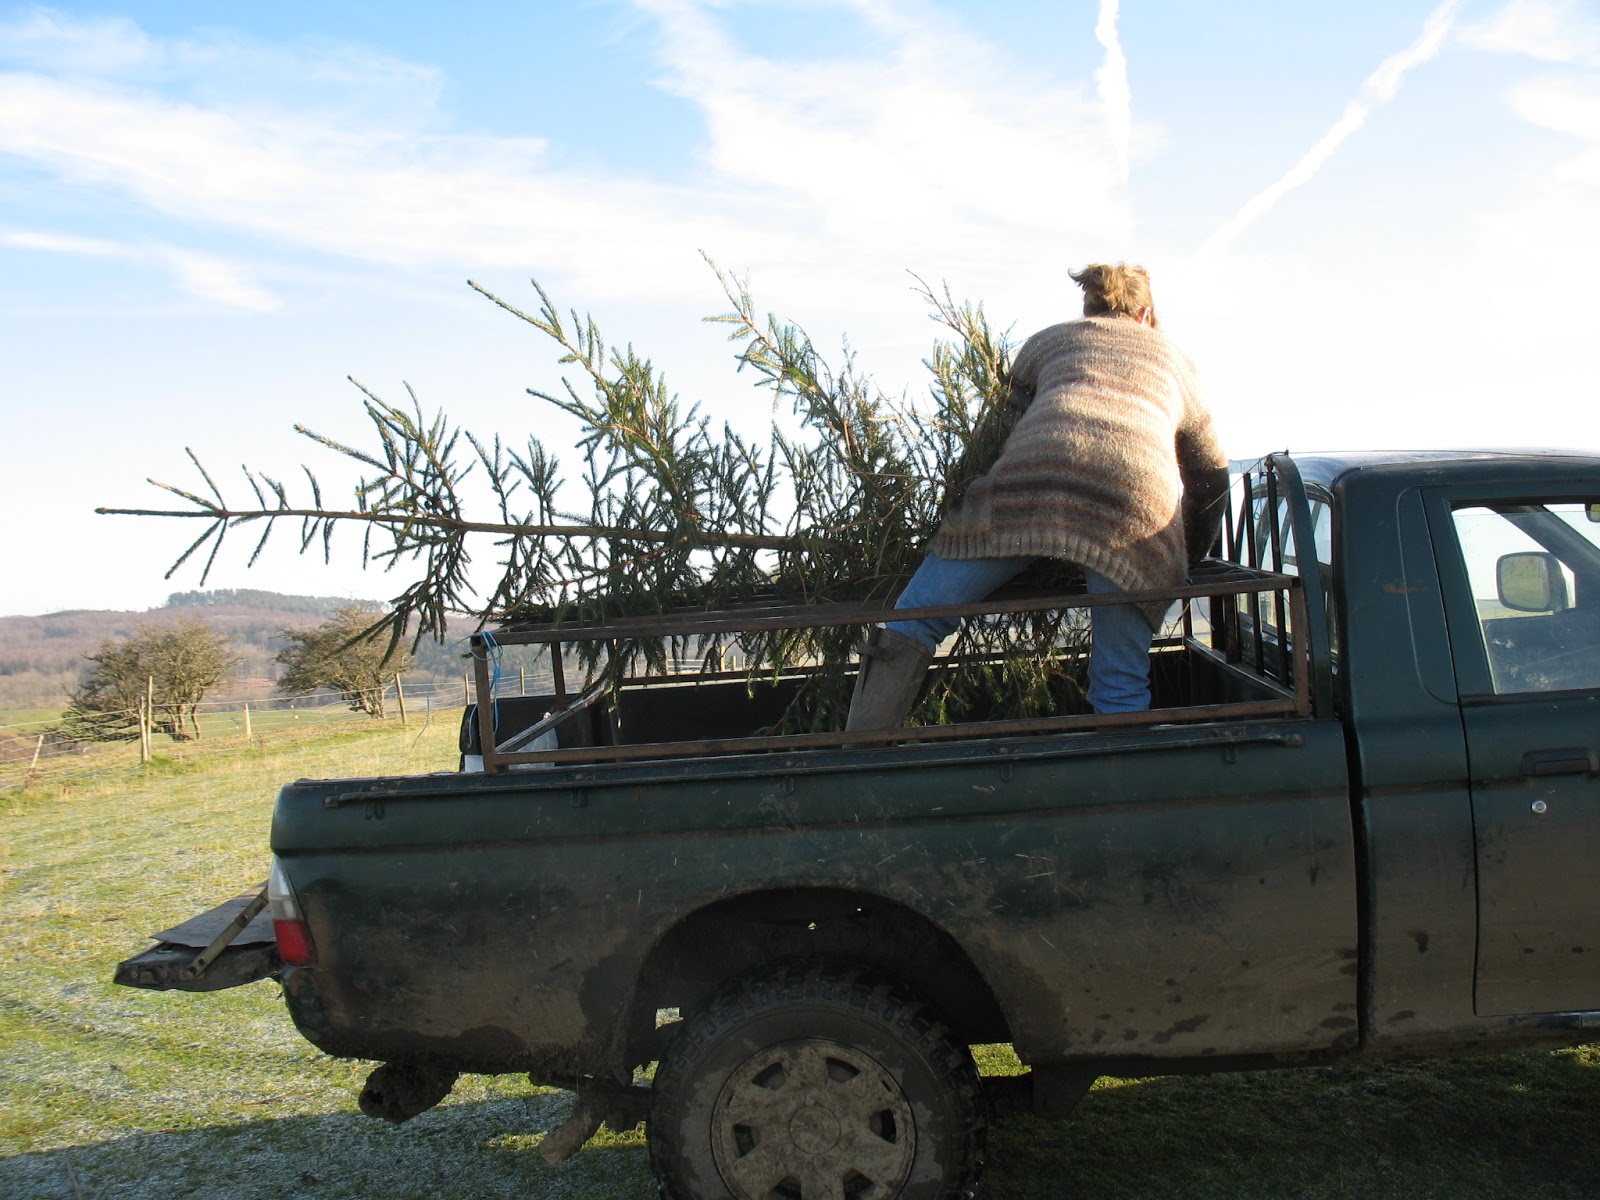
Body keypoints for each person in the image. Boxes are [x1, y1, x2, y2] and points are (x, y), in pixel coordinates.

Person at [846, 261, 1230, 732]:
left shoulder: (1048, 340)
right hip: (1133, 513)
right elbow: (1211, 473)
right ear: (1145, 313)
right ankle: (1123, 796)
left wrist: (954, 511)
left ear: (1088, 305)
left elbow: (989, 440)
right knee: (1119, 681)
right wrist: (1191, 555)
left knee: (913, 621)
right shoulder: (1175, 359)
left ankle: (855, 758)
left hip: (1026, 493)